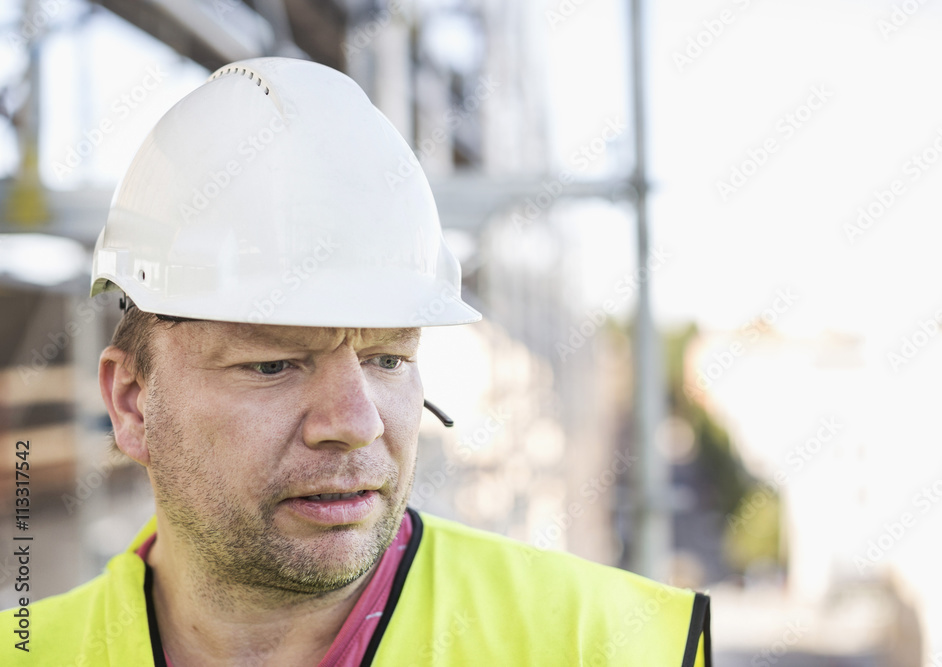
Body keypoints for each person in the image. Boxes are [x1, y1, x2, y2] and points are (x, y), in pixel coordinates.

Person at [2, 57, 711, 666]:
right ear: (132, 402)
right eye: (274, 364)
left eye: (388, 358)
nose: (355, 423)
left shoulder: (610, 645)